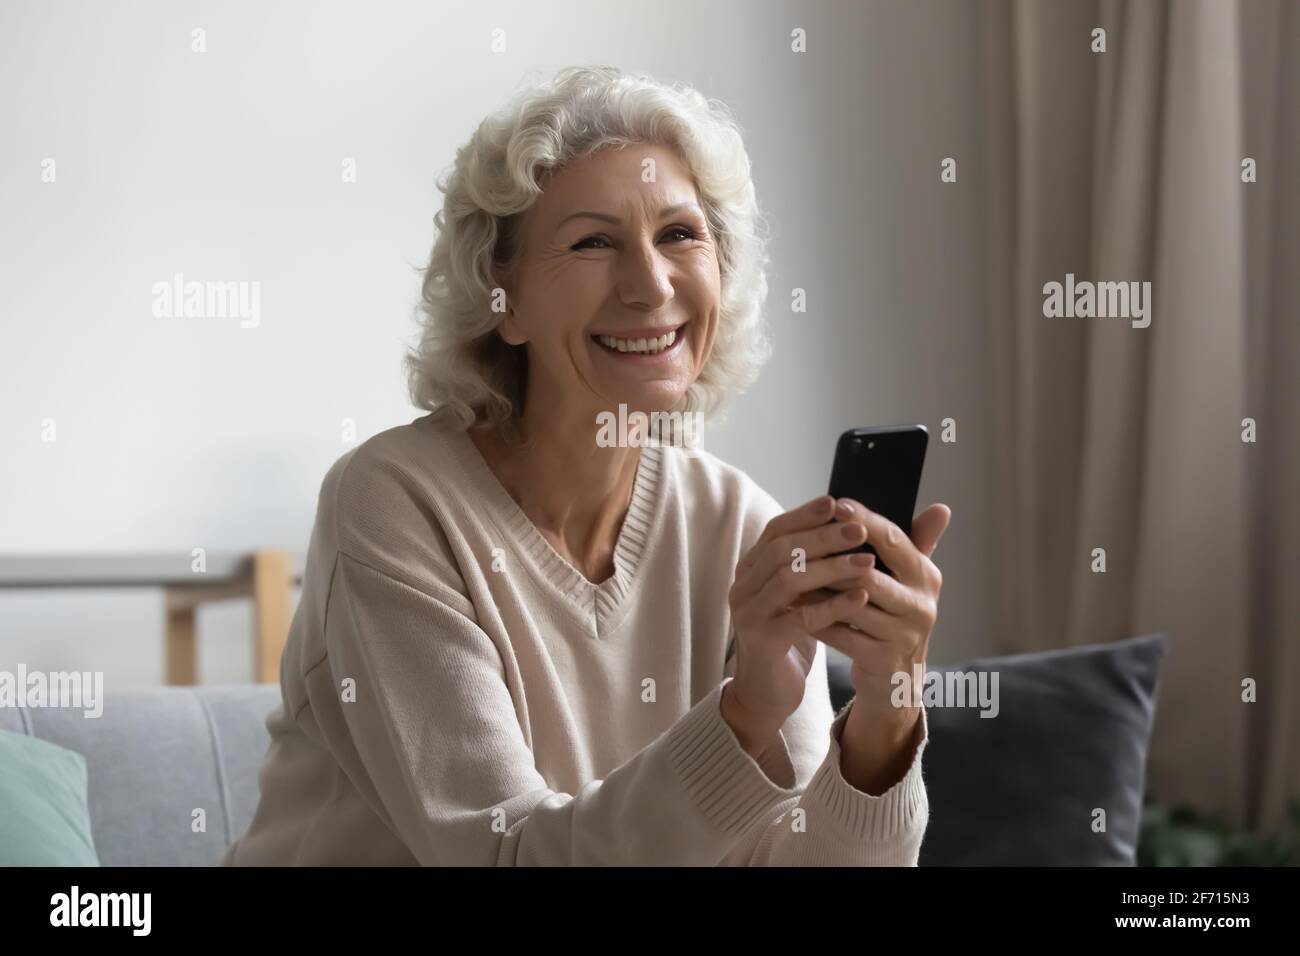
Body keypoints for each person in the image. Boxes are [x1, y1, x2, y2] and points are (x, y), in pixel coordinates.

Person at [223, 65, 950, 866]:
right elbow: (505, 857)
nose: (650, 285)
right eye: (594, 242)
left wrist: (888, 704)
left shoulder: (741, 524)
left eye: (680, 234)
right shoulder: (394, 504)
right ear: (505, 299)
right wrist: (744, 715)